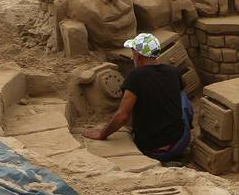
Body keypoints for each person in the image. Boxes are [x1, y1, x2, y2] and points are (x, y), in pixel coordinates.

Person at [82, 33, 193, 162]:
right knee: (182, 96)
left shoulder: (135, 76)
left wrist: (102, 134)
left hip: (154, 150)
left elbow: (122, 117)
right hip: (180, 142)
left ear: (138, 56)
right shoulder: (173, 71)